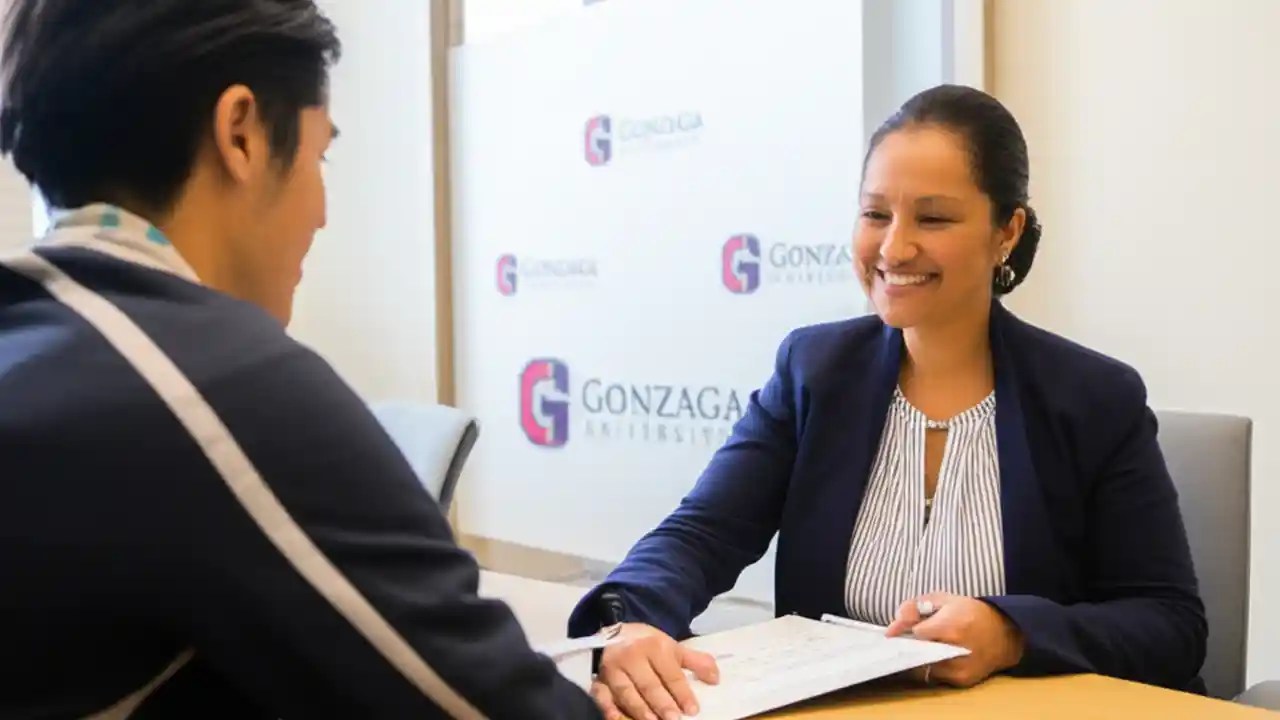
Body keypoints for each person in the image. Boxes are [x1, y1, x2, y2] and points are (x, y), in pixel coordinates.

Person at [0, 2, 600, 718]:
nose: (322, 211)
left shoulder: (35, 335)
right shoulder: (223, 388)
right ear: (242, 133)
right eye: (321, 157)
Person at [569, 84, 1207, 720]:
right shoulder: (814, 372)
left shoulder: (1095, 398)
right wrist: (628, 619)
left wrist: (1011, 634)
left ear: (1005, 231)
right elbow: (701, 533)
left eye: (933, 218)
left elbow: (1170, 625)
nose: (894, 249)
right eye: (876, 215)